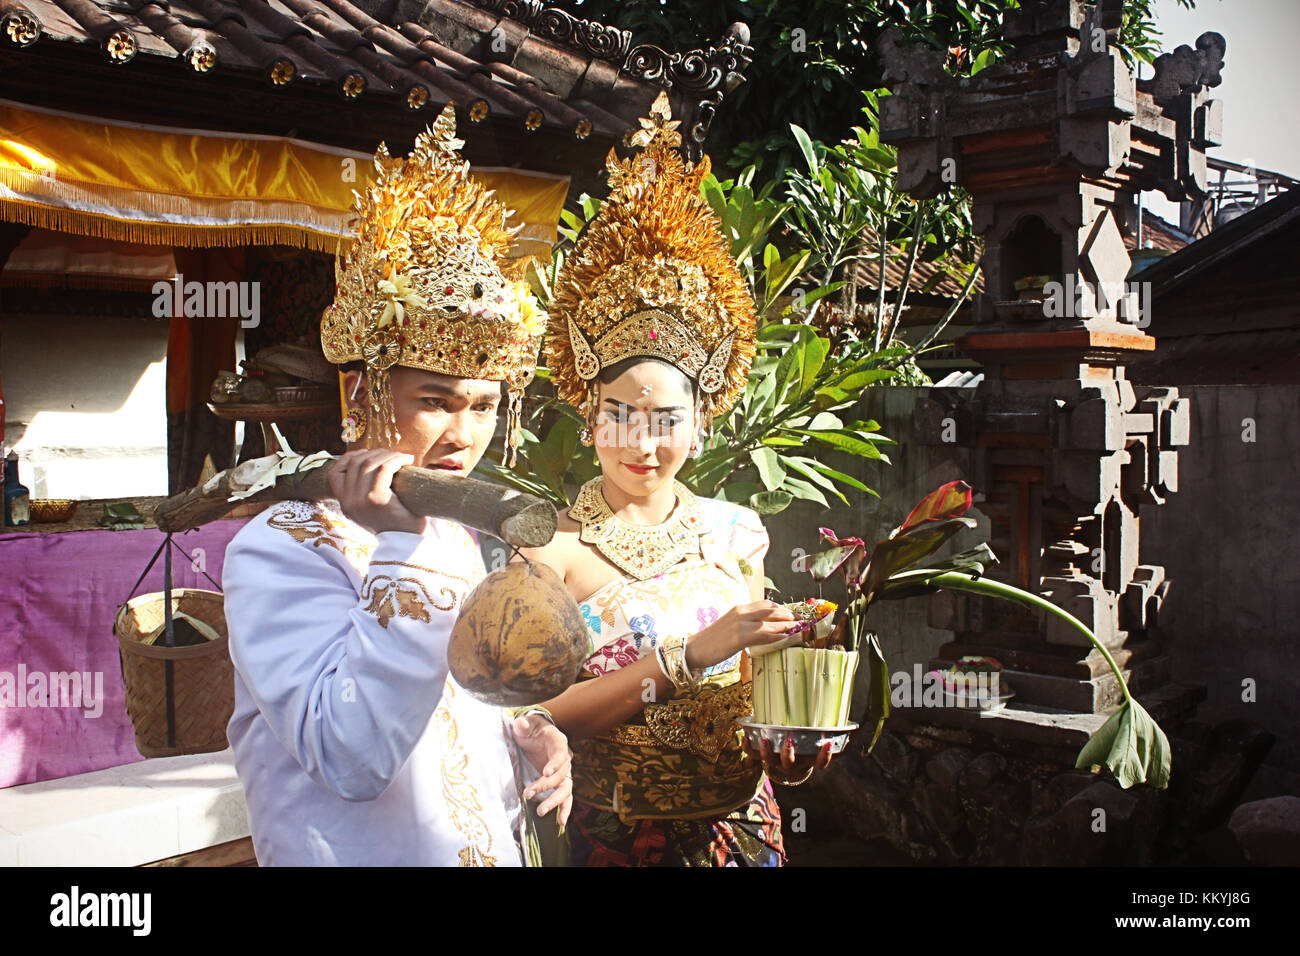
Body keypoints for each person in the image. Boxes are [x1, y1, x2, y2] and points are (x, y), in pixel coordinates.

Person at [222, 105, 570, 866]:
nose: (463, 435)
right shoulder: (276, 549)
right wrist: (403, 549)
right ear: (361, 399)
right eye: (436, 402)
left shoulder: (451, 535)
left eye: (483, 406)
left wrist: (526, 731)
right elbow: (348, 754)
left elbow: (453, 706)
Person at [515, 93, 828, 867]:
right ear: (588, 418)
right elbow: (538, 711)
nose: (642, 442)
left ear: (702, 421)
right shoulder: (549, 549)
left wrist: (795, 736)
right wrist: (690, 654)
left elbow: (761, 685)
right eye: (620, 415)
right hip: (614, 833)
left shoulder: (735, 531)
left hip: (741, 828)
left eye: (666, 420)